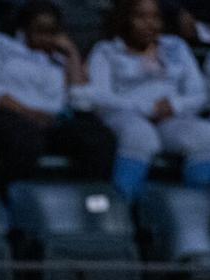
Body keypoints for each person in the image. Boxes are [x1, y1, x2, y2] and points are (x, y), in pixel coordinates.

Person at [0, 0, 116, 187]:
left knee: (99, 138)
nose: (46, 36)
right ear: (24, 27)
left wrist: (72, 55)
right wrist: (27, 113)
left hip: (51, 124)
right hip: (3, 118)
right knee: (25, 138)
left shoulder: (60, 59)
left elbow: (82, 102)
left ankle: (85, 204)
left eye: (52, 31)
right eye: (40, 29)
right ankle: (10, 202)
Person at [84, 0, 210, 202]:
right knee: (142, 136)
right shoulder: (107, 50)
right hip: (126, 116)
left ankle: (197, 207)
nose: (150, 24)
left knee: (206, 135)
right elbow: (98, 96)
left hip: (170, 118)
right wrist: (146, 108)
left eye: (155, 17)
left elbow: (199, 94)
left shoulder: (176, 47)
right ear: (126, 19)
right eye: (141, 17)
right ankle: (124, 204)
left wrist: (174, 105)